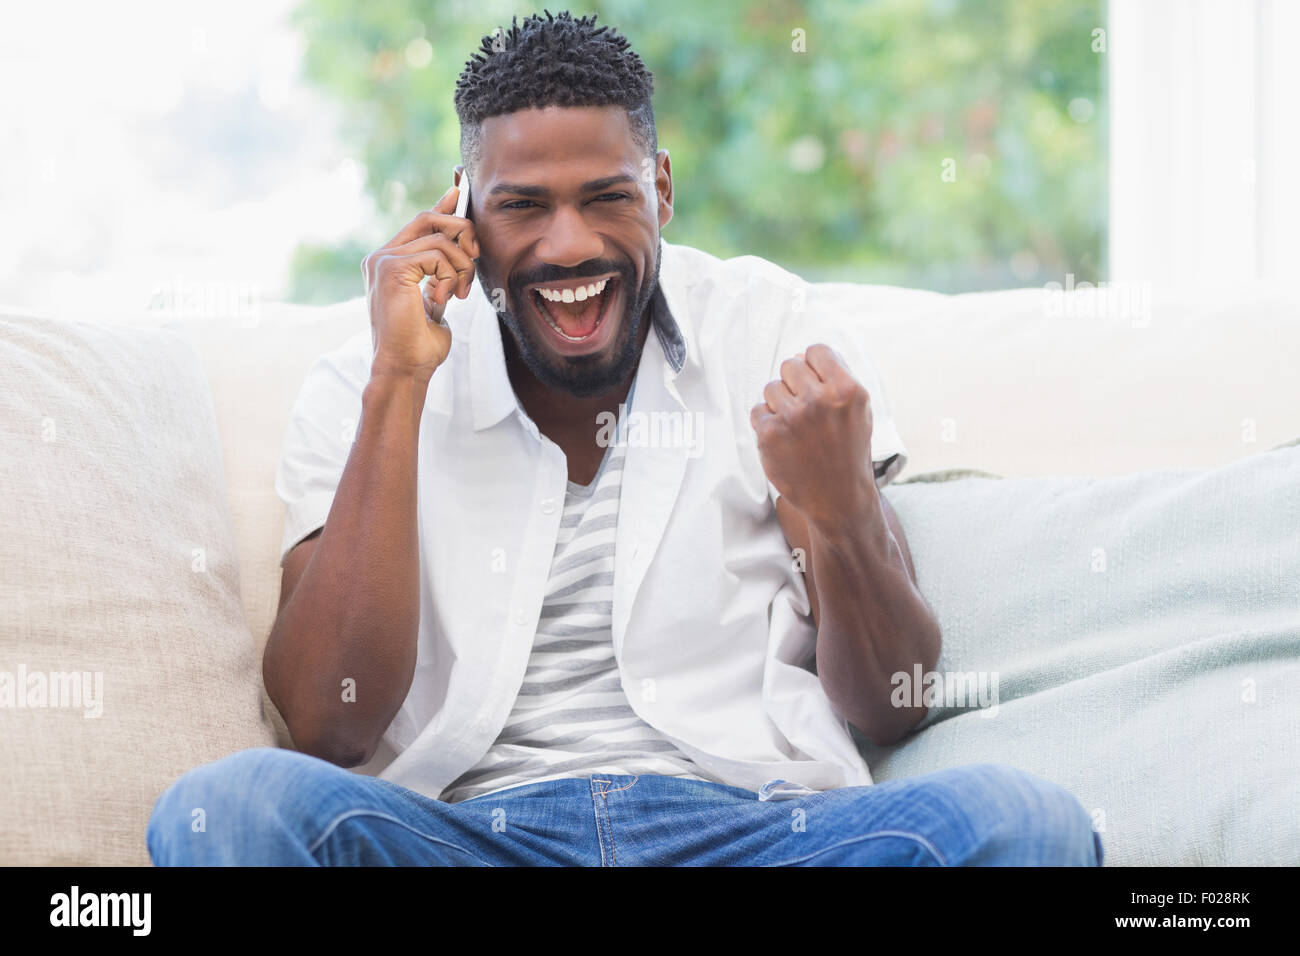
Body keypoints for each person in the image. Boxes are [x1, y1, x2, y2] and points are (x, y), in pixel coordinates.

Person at [148, 10, 1102, 866]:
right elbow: (327, 724)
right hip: (470, 834)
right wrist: (399, 382)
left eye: (606, 196)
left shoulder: (770, 336)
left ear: (663, 190)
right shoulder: (369, 376)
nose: (568, 245)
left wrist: (845, 508)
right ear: (464, 211)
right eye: (522, 204)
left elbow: (889, 703)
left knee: (1020, 822)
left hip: (753, 827)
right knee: (227, 810)